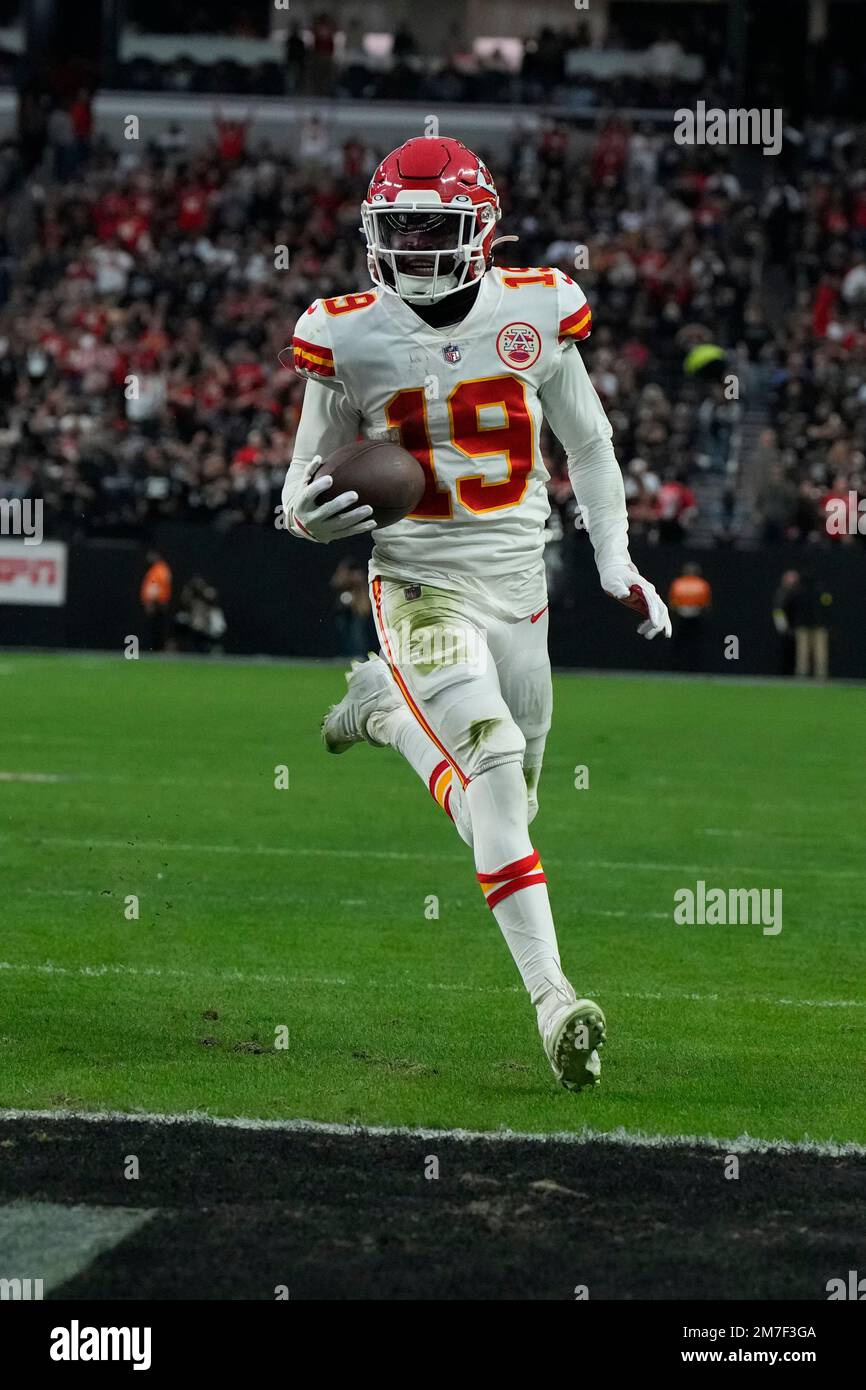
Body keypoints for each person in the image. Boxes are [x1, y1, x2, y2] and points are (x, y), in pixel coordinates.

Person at [281, 136, 671, 1092]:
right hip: (417, 584)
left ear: (480, 231)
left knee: (511, 806)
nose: (412, 247)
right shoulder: (346, 332)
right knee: (492, 763)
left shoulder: (534, 309)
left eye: (433, 227)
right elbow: (298, 487)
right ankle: (554, 1003)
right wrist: (311, 518)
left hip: (519, 589)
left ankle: (384, 713)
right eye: (397, 228)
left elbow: (592, 444)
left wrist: (615, 558)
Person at [668, 562, 712, 671]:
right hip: (696, 616)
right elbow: (706, 605)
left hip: (682, 616)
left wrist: (682, 609)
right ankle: (694, 667)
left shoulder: (678, 583)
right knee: (695, 643)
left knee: (680, 644)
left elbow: (672, 603)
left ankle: (677, 666)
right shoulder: (702, 584)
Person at [140, 549, 172, 652]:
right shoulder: (158, 569)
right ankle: (157, 648)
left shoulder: (159, 570)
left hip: (157, 604)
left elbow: (155, 587)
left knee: (157, 629)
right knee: (156, 628)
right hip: (158, 603)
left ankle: (158, 649)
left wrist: (150, 602)